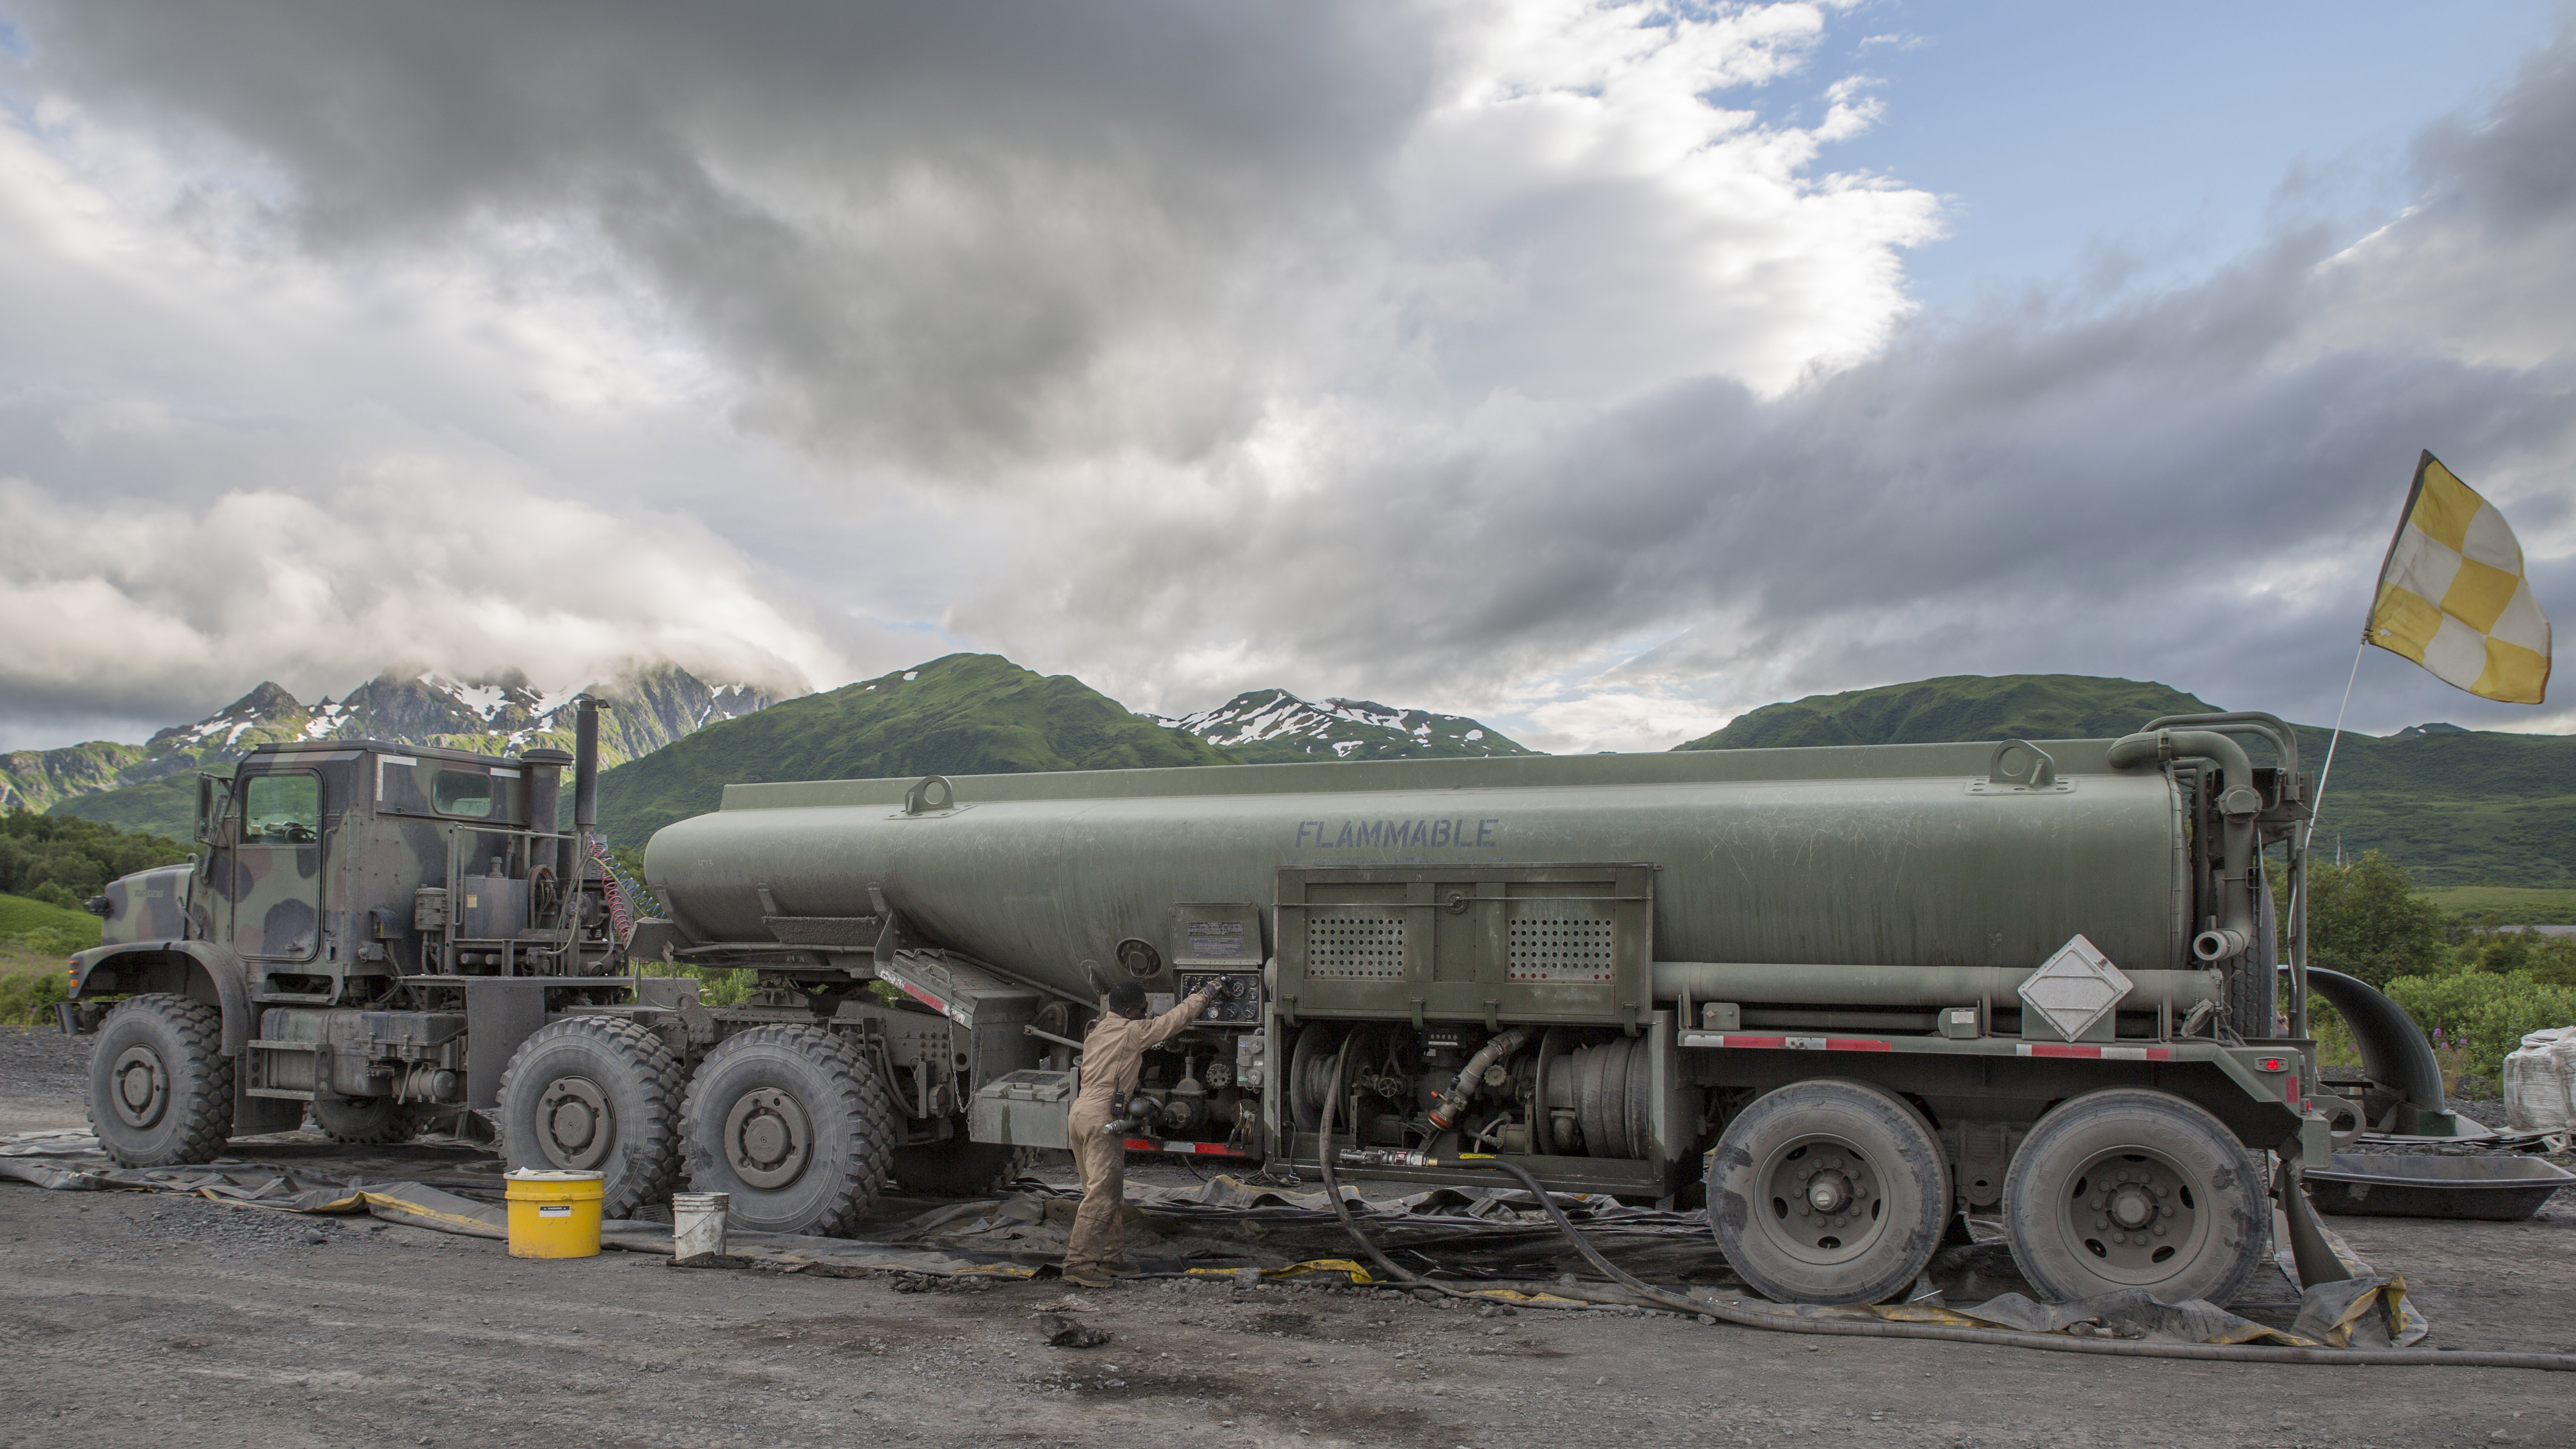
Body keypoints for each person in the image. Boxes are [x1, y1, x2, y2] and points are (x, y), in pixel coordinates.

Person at [1060, 978, 1213, 1288]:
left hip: (1079, 1113)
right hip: (1102, 1115)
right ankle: (1079, 1264)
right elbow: (1174, 1021)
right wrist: (1205, 995)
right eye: (1144, 1010)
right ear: (1130, 1012)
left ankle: (1110, 1259)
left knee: (1103, 1190)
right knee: (1102, 1193)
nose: (1147, 1015)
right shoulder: (1132, 1032)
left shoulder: (1097, 1031)